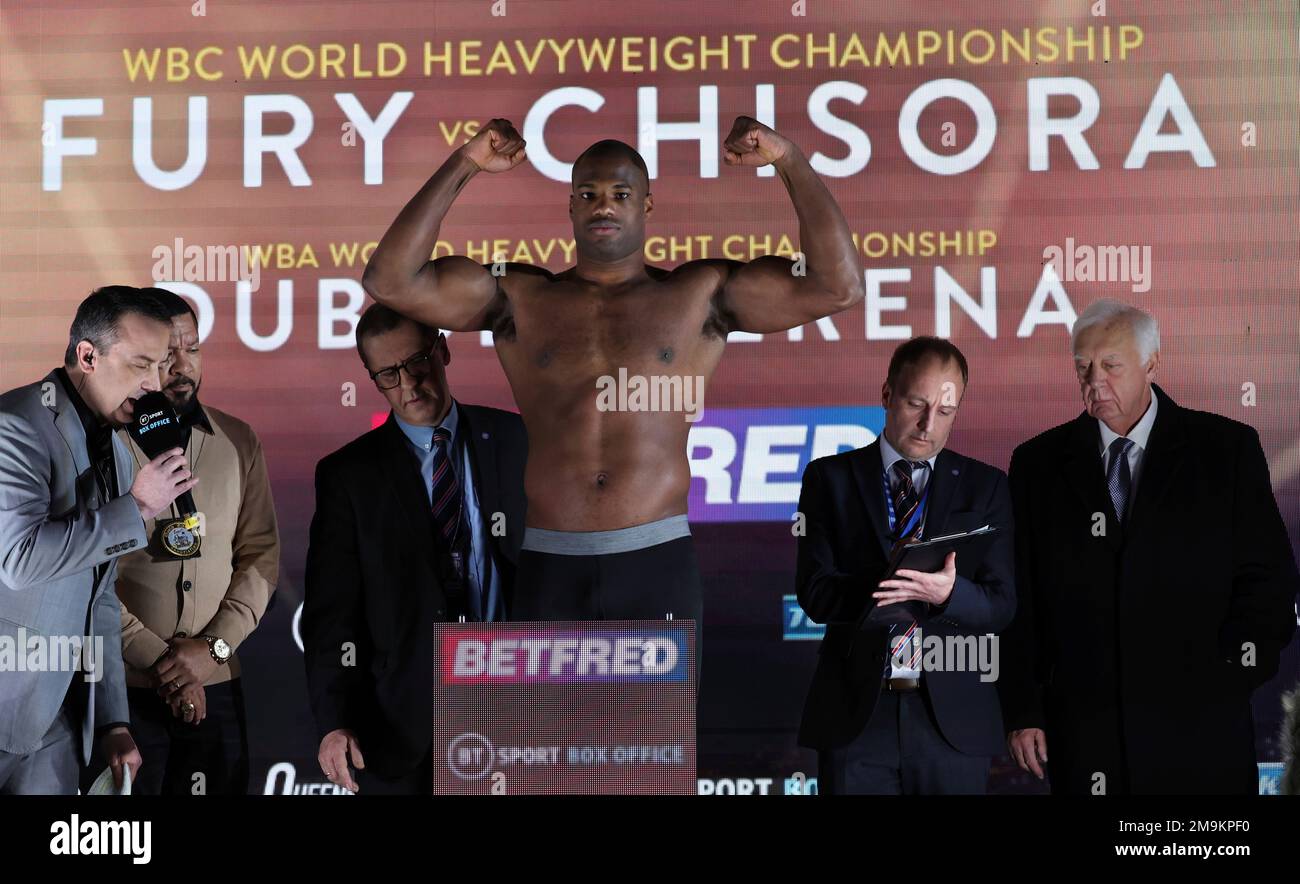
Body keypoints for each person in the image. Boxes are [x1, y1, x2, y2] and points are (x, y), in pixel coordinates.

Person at [361, 116, 864, 638]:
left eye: (620, 193)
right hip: (551, 564)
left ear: (646, 205)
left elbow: (837, 286)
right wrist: (466, 162)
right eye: (589, 193)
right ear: (571, 206)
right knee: (551, 724)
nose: (603, 205)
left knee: (655, 725)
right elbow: (390, 279)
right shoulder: (519, 298)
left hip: (656, 561)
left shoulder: (698, 295)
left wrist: (788, 159)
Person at [1000, 298, 1299, 794]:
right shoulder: (1036, 465)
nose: (1094, 381)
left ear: (1152, 363)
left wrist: (1230, 676)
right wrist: (1025, 709)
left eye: (1111, 365)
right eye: (1083, 366)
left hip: (1203, 734)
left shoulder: (1226, 450)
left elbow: (1269, 582)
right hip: (1085, 736)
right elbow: (1020, 601)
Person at [303, 304, 527, 794]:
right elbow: (331, 614)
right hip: (401, 726)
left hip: (518, 712)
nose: (408, 383)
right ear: (372, 378)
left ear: (443, 349)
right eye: (388, 373)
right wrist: (333, 721)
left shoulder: (516, 439)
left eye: (417, 362)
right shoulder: (348, 475)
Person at [795, 337, 1015, 794]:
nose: (927, 424)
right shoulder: (828, 479)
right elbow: (814, 592)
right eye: (916, 403)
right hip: (856, 718)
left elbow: (1001, 605)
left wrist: (947, 594)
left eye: (946, 411)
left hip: (952, 723)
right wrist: (894, 584)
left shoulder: (988, 487)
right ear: (887, 395)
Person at [0, 285, 194, 794]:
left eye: (160, 367)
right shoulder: (15, 427)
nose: (155, 384)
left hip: (60, 727)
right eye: (140, 365)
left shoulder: (121, 452)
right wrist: (139, 508)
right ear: (88, 356)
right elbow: (19, 559)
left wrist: (112, 721)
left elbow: (100, 597)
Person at [110, 289, 280, 795]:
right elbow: (84, 573)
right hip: (122, 694)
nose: (183, 364)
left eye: (194, 347)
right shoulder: (103, 444)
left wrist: (212, 651)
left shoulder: (239, 440)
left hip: (219, 685)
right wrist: (165, 665)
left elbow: (261, 558)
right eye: (168, 352)